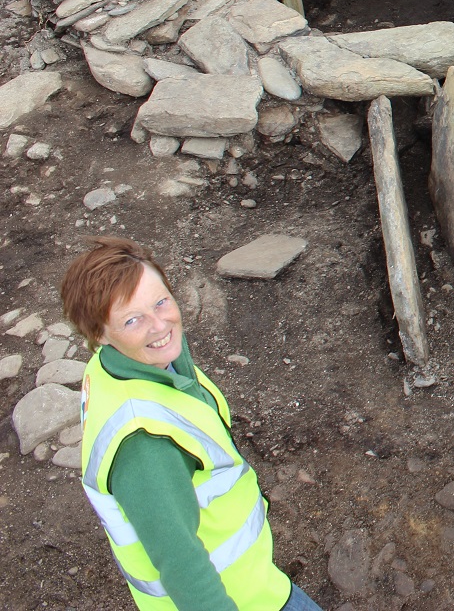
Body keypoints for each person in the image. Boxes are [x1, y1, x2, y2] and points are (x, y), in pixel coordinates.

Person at [61, 237, 321, 611]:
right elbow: (182, 568)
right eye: (132, 320)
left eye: (160, 302)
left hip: (252, 578)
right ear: (99, 334)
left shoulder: (125, 366)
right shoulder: (145, 447)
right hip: (238, 598)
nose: (159, 325)